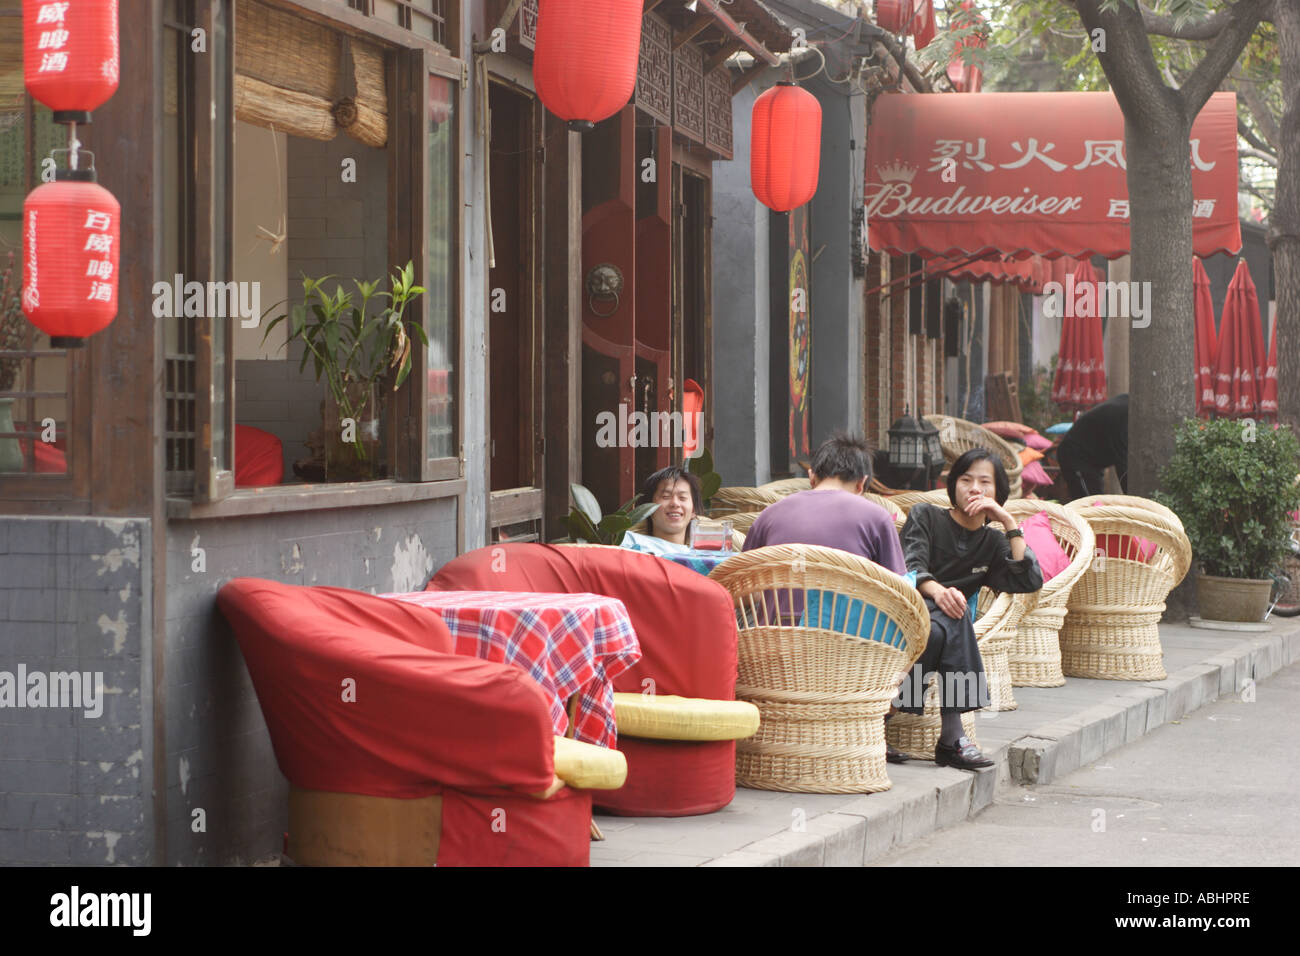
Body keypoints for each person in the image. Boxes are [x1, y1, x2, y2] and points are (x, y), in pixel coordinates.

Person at [898, 448, 1044, 770]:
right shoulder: (926, 516)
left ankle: (892, 714)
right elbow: (909, 566)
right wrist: (937, 590)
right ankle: (952, 738)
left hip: (941, 630)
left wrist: (1007, 521)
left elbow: (1031, 579)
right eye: (966, 480)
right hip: (910, 610)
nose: (974, 488)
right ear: (954, 487)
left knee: (944, 625)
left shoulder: (992, 543)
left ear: (997, 493)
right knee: (955, 612)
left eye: (984, 482)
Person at [742, 434, 905, 575]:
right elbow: (899, 590)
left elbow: (741, 579)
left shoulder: (770, 514)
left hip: (778, 612)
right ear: (861, 483)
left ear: (811, 477)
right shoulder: (877, 518)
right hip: (850, 612)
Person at [1055, 393, 1128, 501]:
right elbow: (1123, 464)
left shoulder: (1127, 405)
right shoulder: (1124, 416)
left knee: (1096, 503)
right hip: (1075, 456)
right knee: (1091, 505)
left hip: (1094, 459)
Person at [620, 465, 700, 555]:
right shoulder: (627, 541)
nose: (675, 504)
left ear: (693, 510)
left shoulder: (704, 558)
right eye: (666, 496)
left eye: (682, 497)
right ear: (647, 507)